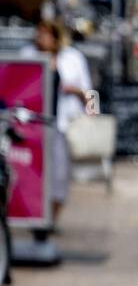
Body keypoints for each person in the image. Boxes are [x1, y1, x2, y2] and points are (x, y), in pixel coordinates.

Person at [32, 18, 91, 227]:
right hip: (33, 127)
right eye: (39, 33)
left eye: (46, 34)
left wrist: (90, 114)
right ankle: (36, 217)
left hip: (62, 126)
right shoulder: (28, 56)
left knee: (59, 174)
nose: (41, 38)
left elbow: (91, 94)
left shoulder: (73, 58)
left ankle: (51, 218)